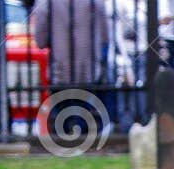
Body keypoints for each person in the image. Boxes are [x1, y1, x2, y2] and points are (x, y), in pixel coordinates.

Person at [32, 0, 114, 138]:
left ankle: (66, 137)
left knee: (62, 107)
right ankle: (82, 137)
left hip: (61, 64)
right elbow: (105, 34)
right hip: (87, 65)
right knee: (85, 106)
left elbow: (40, 38)